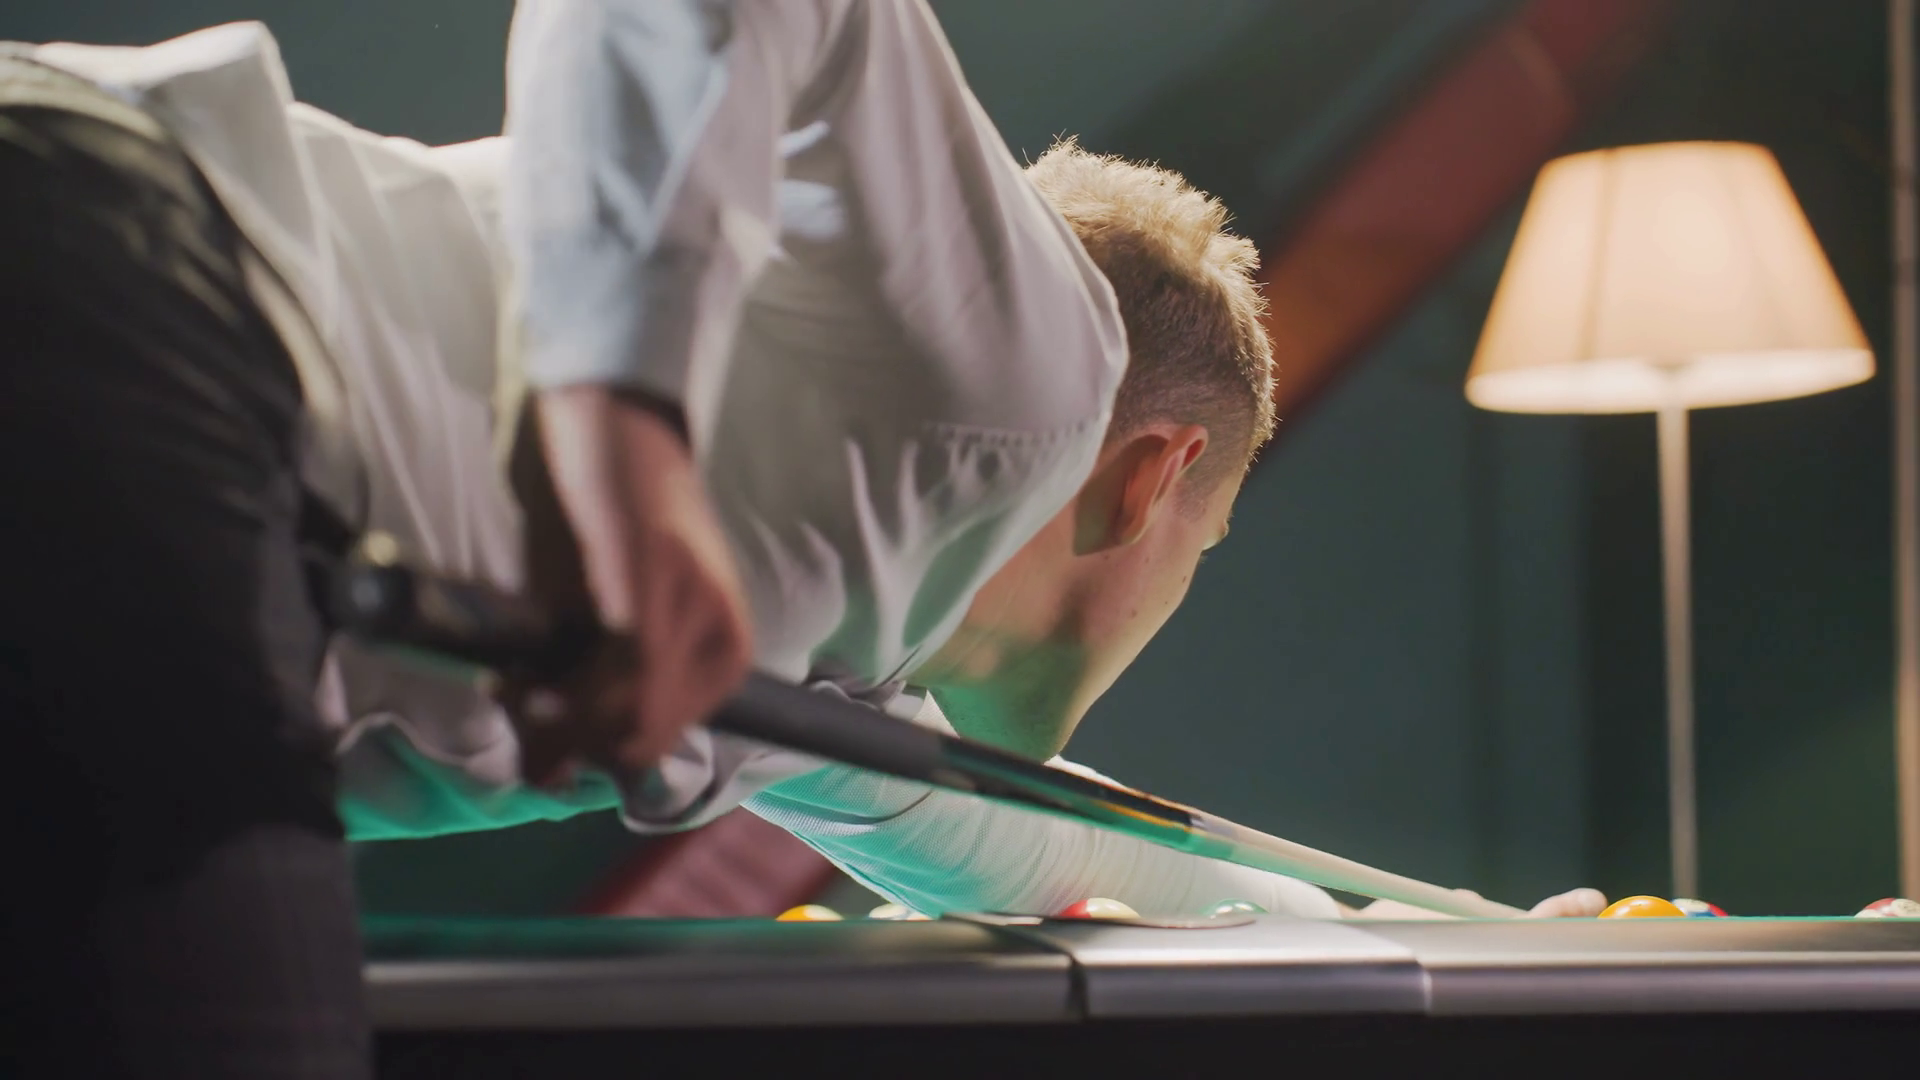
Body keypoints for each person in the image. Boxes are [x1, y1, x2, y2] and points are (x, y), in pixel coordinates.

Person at [0, 5, 1596, 1077]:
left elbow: (1103, 864)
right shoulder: (1039, 361)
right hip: (116, 265)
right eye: (1207, 544)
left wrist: (1494, 949)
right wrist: (618, 447)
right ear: (1151, 474)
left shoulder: (834, 698)